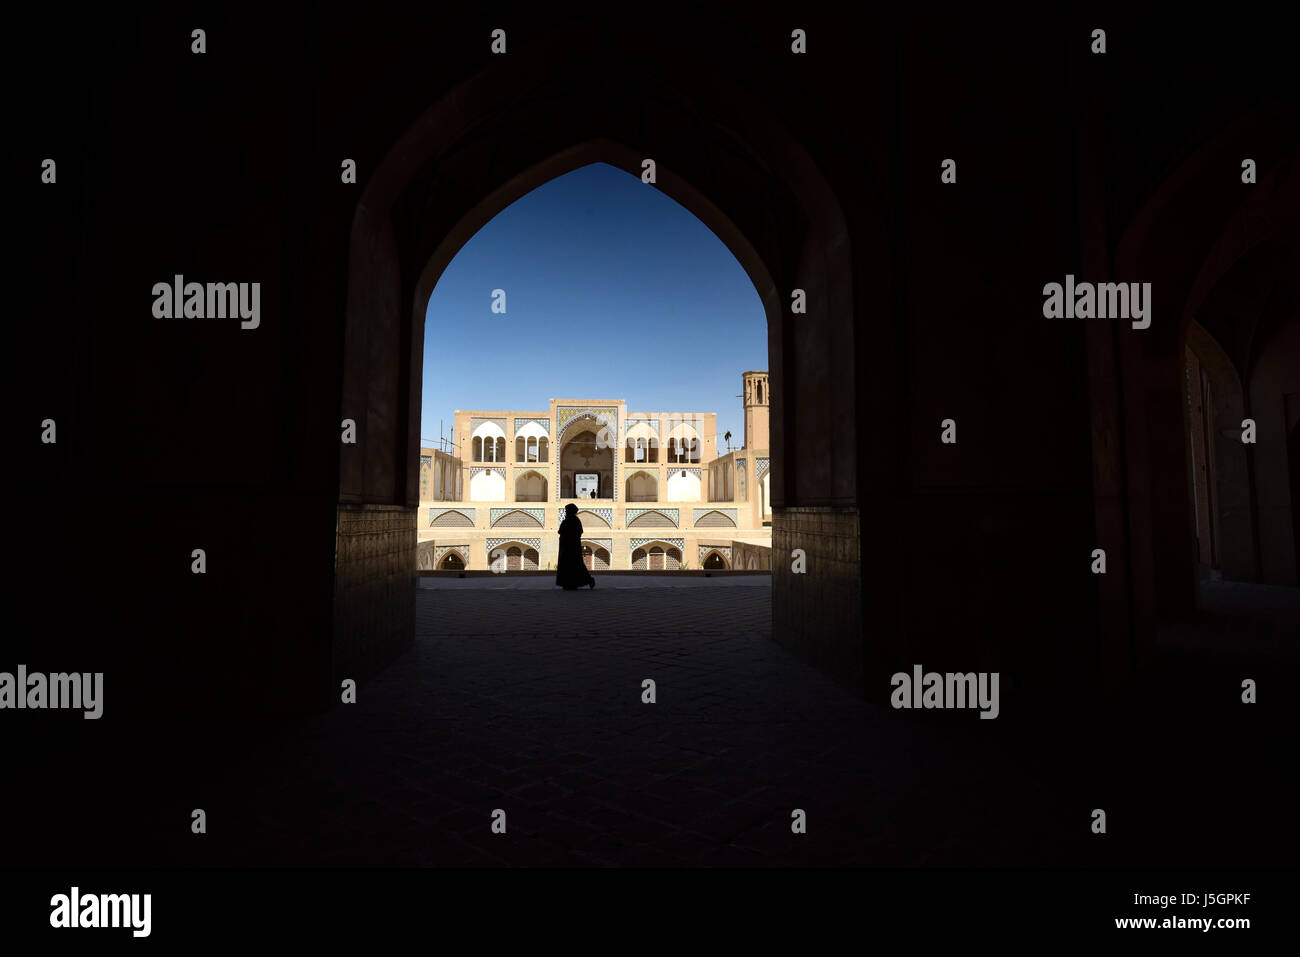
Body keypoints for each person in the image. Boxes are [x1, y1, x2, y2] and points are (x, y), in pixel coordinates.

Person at [556, 503, 596, 590]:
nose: (566, 512)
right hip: (571, 546)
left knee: (575, 565)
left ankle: (588, 580)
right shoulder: (574, 520)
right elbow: (579, 532)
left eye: (567, 510)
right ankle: (570, 584)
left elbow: (561, 531)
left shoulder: (570, 521)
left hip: (570, 547)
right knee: (572, 565)